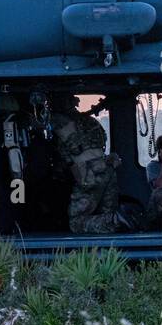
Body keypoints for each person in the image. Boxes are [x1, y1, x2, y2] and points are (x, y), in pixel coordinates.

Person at [49, 93, 121, 234]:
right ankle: (119, 220)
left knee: (76, 223)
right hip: (108, 168)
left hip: (89, 174)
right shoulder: (89, 121)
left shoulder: (60, 121)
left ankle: (118, 219)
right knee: (106, 216)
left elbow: (65, 155)